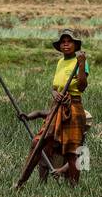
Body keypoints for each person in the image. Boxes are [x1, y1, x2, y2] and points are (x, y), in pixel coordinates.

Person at [20, 29, 89, 186]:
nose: (65, 44)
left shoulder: (80, 62)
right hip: (56, 107)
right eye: (63, 41)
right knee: (38, 142)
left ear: (75, 45)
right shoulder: (60, 62)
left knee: (73, 151)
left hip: (73, 107)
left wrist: (82, 63)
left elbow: (82, 86)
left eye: (69, 41)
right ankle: (21, 182)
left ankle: (73, 186)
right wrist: (54, 93)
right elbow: (54, 86)